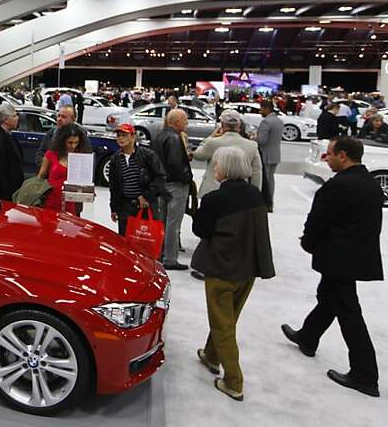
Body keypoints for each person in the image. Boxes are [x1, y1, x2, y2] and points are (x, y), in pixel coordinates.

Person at [281, 137, 383, 398]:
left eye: (330, 154)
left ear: (343, 155)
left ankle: (365, 374)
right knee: (328, 298)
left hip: (339, 257)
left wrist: (308, 242)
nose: (326, 158)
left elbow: (318, 219)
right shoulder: (371, 184)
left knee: (348, 311)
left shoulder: (339, 185)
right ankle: (308, 336)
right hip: (356, 256)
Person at [192, 147, 275, 402]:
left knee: (223, 325)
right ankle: (211, 355)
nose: (214, 168)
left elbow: (200, 230)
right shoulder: (256, 195)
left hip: (222, 269)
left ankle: (233, 381)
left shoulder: (215, 199)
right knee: (228, 319)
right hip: (248, 269)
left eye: (217, 165)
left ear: (226, 168)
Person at [108, 123, 166, 236]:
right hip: (125, 207)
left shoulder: (148, 155)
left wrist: (146, 196)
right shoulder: (115, 159)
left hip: (145, 206)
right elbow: (114, 186)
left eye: (124, 135)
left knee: (146, 239)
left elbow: (160, 177)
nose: (121, 138)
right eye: (118, 136)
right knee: (125, 239)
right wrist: (114, 208)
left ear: (133, 136)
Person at [153, 108, 192, 270]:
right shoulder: (175, 138)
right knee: (173, 224)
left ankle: (160, 253)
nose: (187, 123)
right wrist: (187, 178)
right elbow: (176, 164)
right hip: (175, 185)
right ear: (176, 122)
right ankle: (170, 258)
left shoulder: (159, 136)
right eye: (185, 120)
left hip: (161, 185)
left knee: (162, 222)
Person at [192, 110, 262, 198]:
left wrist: (210, 137)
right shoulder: (252, 145)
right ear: (239, 125)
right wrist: (255, 193)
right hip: (240, 193)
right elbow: (256, 172)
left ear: (222, 125)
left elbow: (198, 155)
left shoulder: (212, 142)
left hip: (213, 190)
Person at [37, 123, 87, 213]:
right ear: (62, 141)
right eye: (70, 143)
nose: (73, 146)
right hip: (50, 201)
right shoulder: (51, 154)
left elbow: (84, 179)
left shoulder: (80, 156)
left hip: (70, 202)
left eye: (76, 142)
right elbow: (41, 176)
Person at [255, 100, 283, 208]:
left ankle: (265, 203)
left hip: (265, 154)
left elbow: (262, 140)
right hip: (275, 154)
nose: (260, 111)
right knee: (271, 179)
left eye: (261, 109)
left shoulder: (266, 122)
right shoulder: (279, 121)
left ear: (267, 109)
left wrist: (253, 138)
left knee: (265, 181)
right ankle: (270, 202)